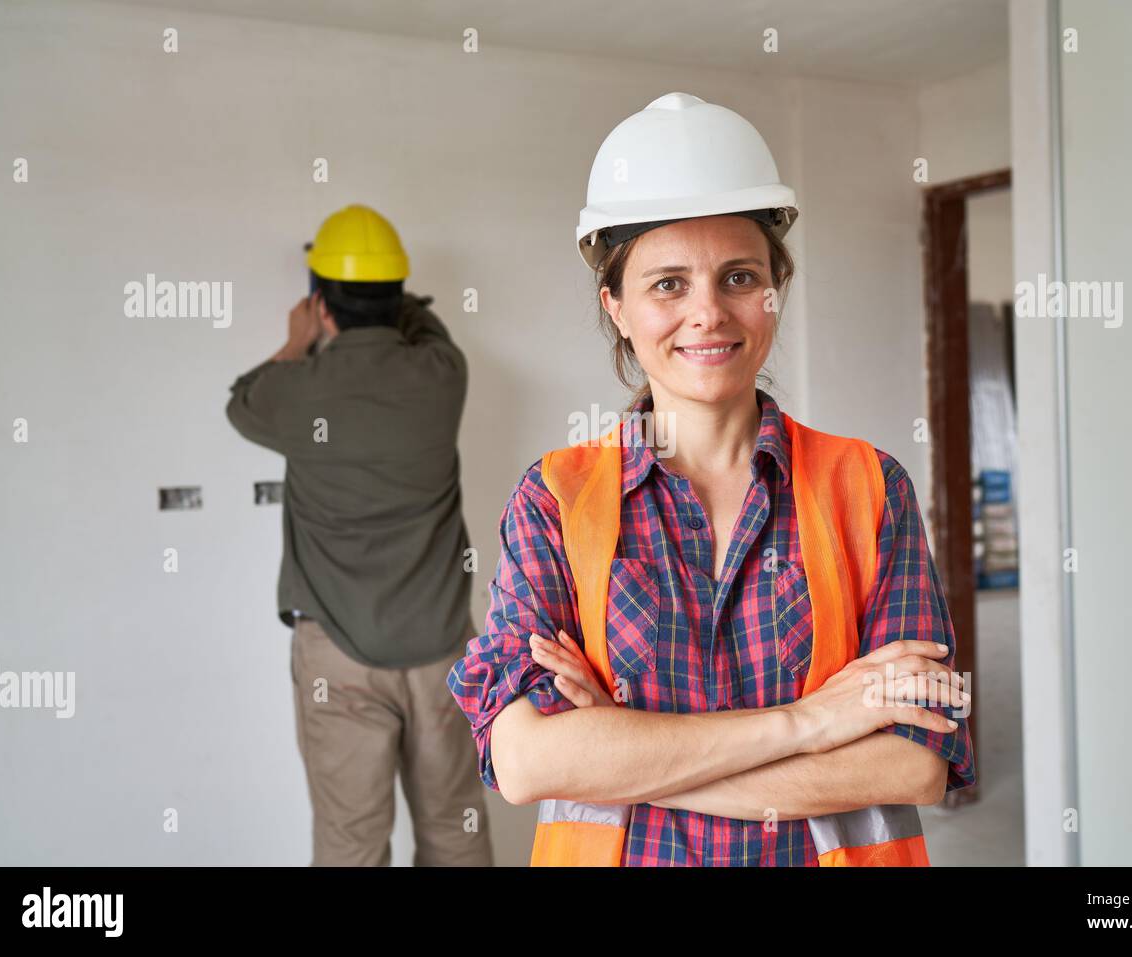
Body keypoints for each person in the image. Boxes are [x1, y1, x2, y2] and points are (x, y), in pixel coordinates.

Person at [447, 94, 975, 866]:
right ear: (617, 307)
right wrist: (812, 721)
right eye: (667, 284)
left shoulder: (870, 487)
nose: (707, 313)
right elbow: (528, 761)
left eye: (737, 276)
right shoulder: (557, 502)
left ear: (773, 291)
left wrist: (626, 758)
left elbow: (916, 764)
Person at [226, 204, 492, 867]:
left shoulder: (295, 391)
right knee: (455, 831)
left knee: (351, 845)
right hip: (442, 653)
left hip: (340, 658)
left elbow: (241, 400)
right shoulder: (443, 375)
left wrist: (296, 340)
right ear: (398, 292)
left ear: (321, 306)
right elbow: (423, 322)